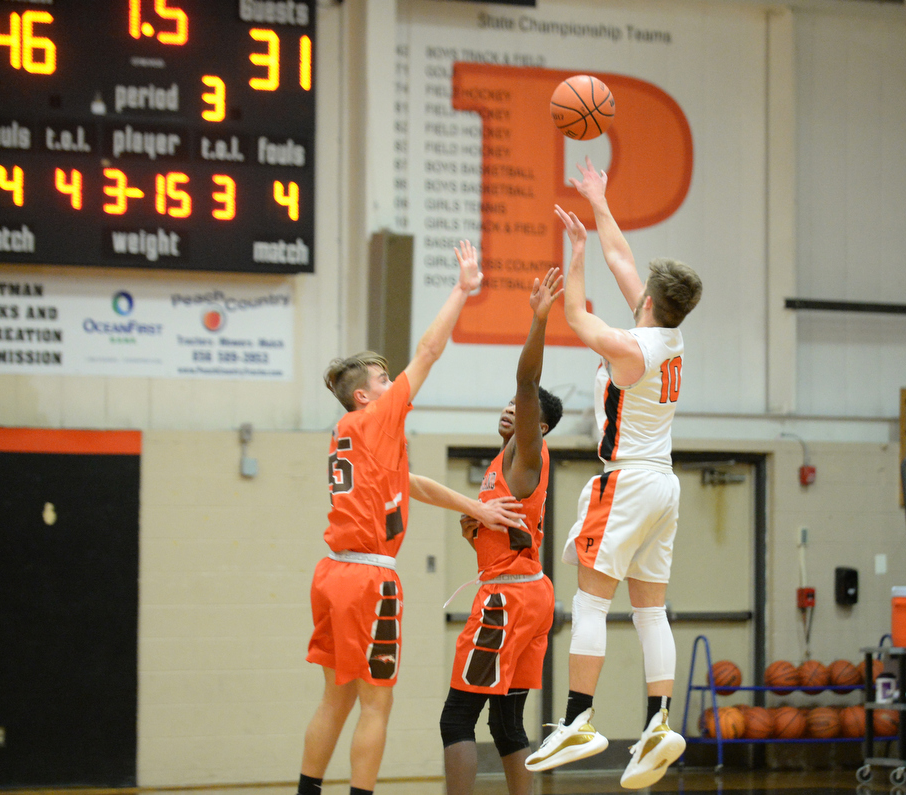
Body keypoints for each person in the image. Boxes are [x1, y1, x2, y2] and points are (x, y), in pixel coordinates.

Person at [297, 240, 528, 795]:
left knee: (336, 696)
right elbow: (427, 351)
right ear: (361, 395)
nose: (391, 381)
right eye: (381, 378)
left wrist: (477, 507)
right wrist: (462, 289)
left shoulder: (351, 435)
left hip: (331, 573)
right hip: (367, 578)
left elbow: (412, 483)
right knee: (378, 701)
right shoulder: (375, 417)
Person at [524, 157, 703, 790]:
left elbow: (576, 317)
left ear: (649, 304)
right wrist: (599, 203)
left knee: (590, 600)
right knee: (651, 611)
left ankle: (580, 719)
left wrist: (574, 251)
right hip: (665, 486)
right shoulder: (668, 339)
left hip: (625, 480)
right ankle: (658, 722)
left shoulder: (631, 348)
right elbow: (625, 259)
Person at [439, 268, 565, 795]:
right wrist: (476, 528)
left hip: (509, 599)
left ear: (540, 425)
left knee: (456, 720)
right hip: (529, 593)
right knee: (507, 724)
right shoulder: (502, 464)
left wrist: (538, 320)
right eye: (510, 406)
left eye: (524, 410)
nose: (512, 409)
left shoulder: (528, 455)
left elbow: (526, 381)